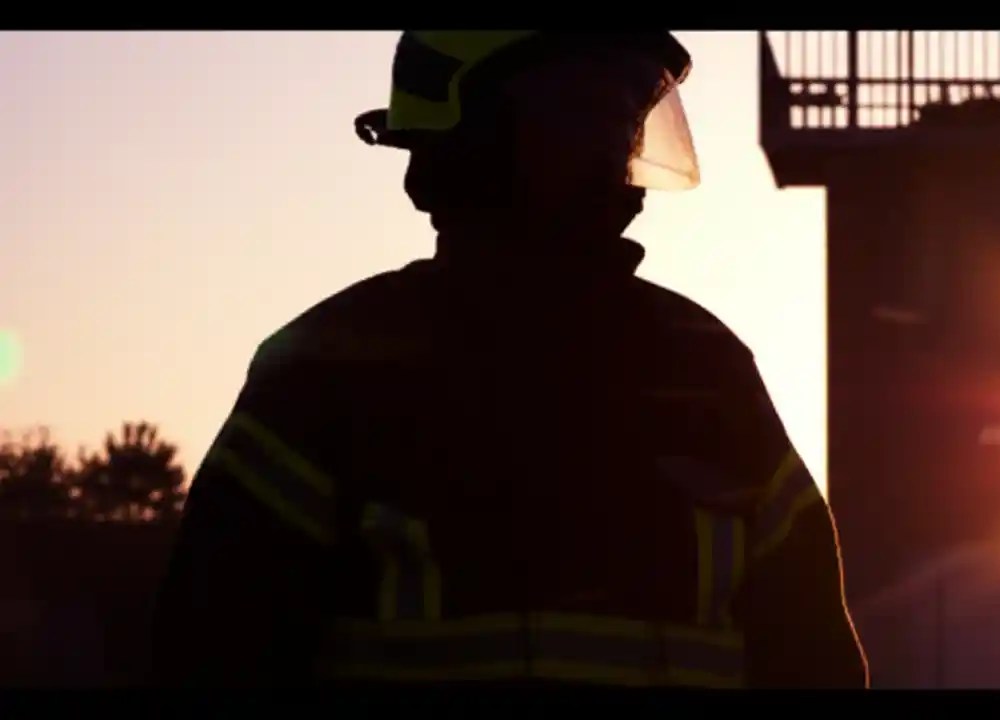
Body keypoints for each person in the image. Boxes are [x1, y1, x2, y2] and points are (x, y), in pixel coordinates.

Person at [150, 30, 868, 689]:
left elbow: (814, 654)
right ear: (473, 138)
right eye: (585, 114)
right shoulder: (325, 375)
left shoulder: (708, 370)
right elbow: (208, 656)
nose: (615, 153)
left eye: (628, 119)